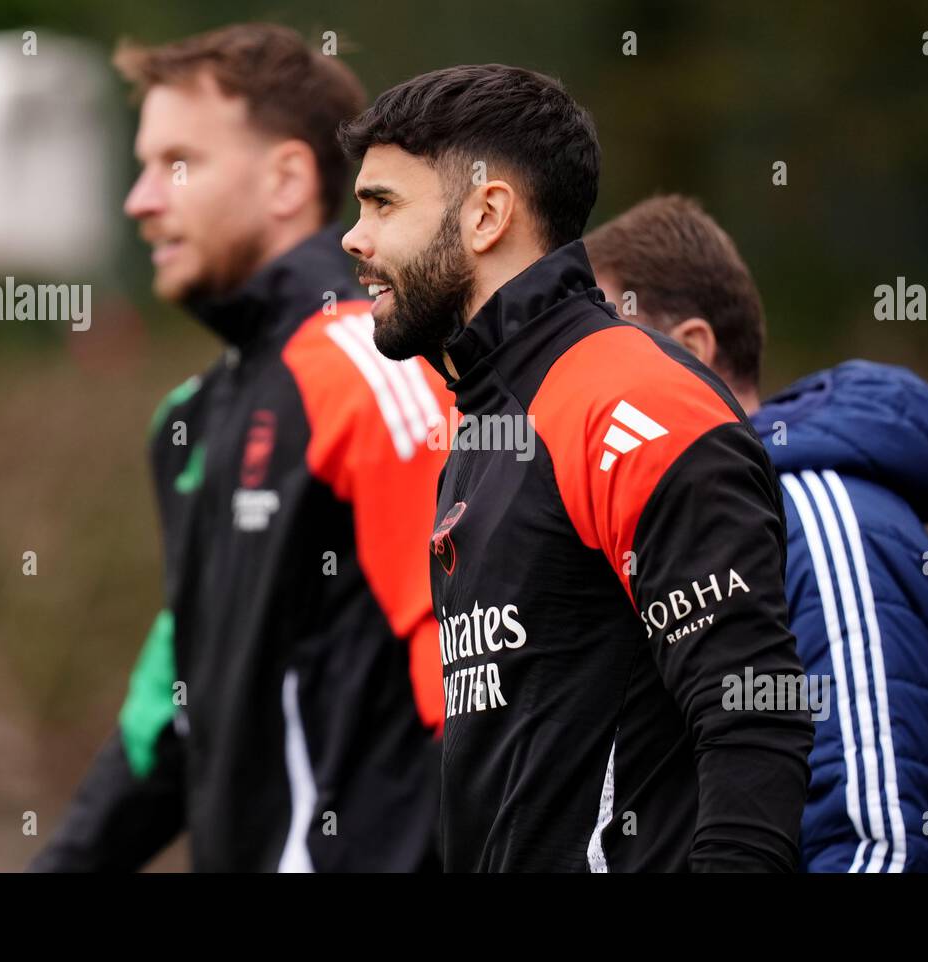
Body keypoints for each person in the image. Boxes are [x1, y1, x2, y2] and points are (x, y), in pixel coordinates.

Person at [339, 65, 814, 872]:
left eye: (382, 203)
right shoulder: (485, 417)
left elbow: (754, 715)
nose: (354, 237)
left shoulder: (634, 401)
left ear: (487, 214)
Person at [30, 23, 449, 873]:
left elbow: (476, 680)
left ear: (287, 178)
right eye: (142, 165)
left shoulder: (372, 368)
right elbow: (171, 713)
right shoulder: (192, 415)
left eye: (176, 163)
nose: (140, 200)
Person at [585, 194, 928, 872]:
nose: (585, 385)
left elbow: (873, 845)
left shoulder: (821, 517)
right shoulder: (651, 529)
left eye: (604, 350)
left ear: (692, 352)